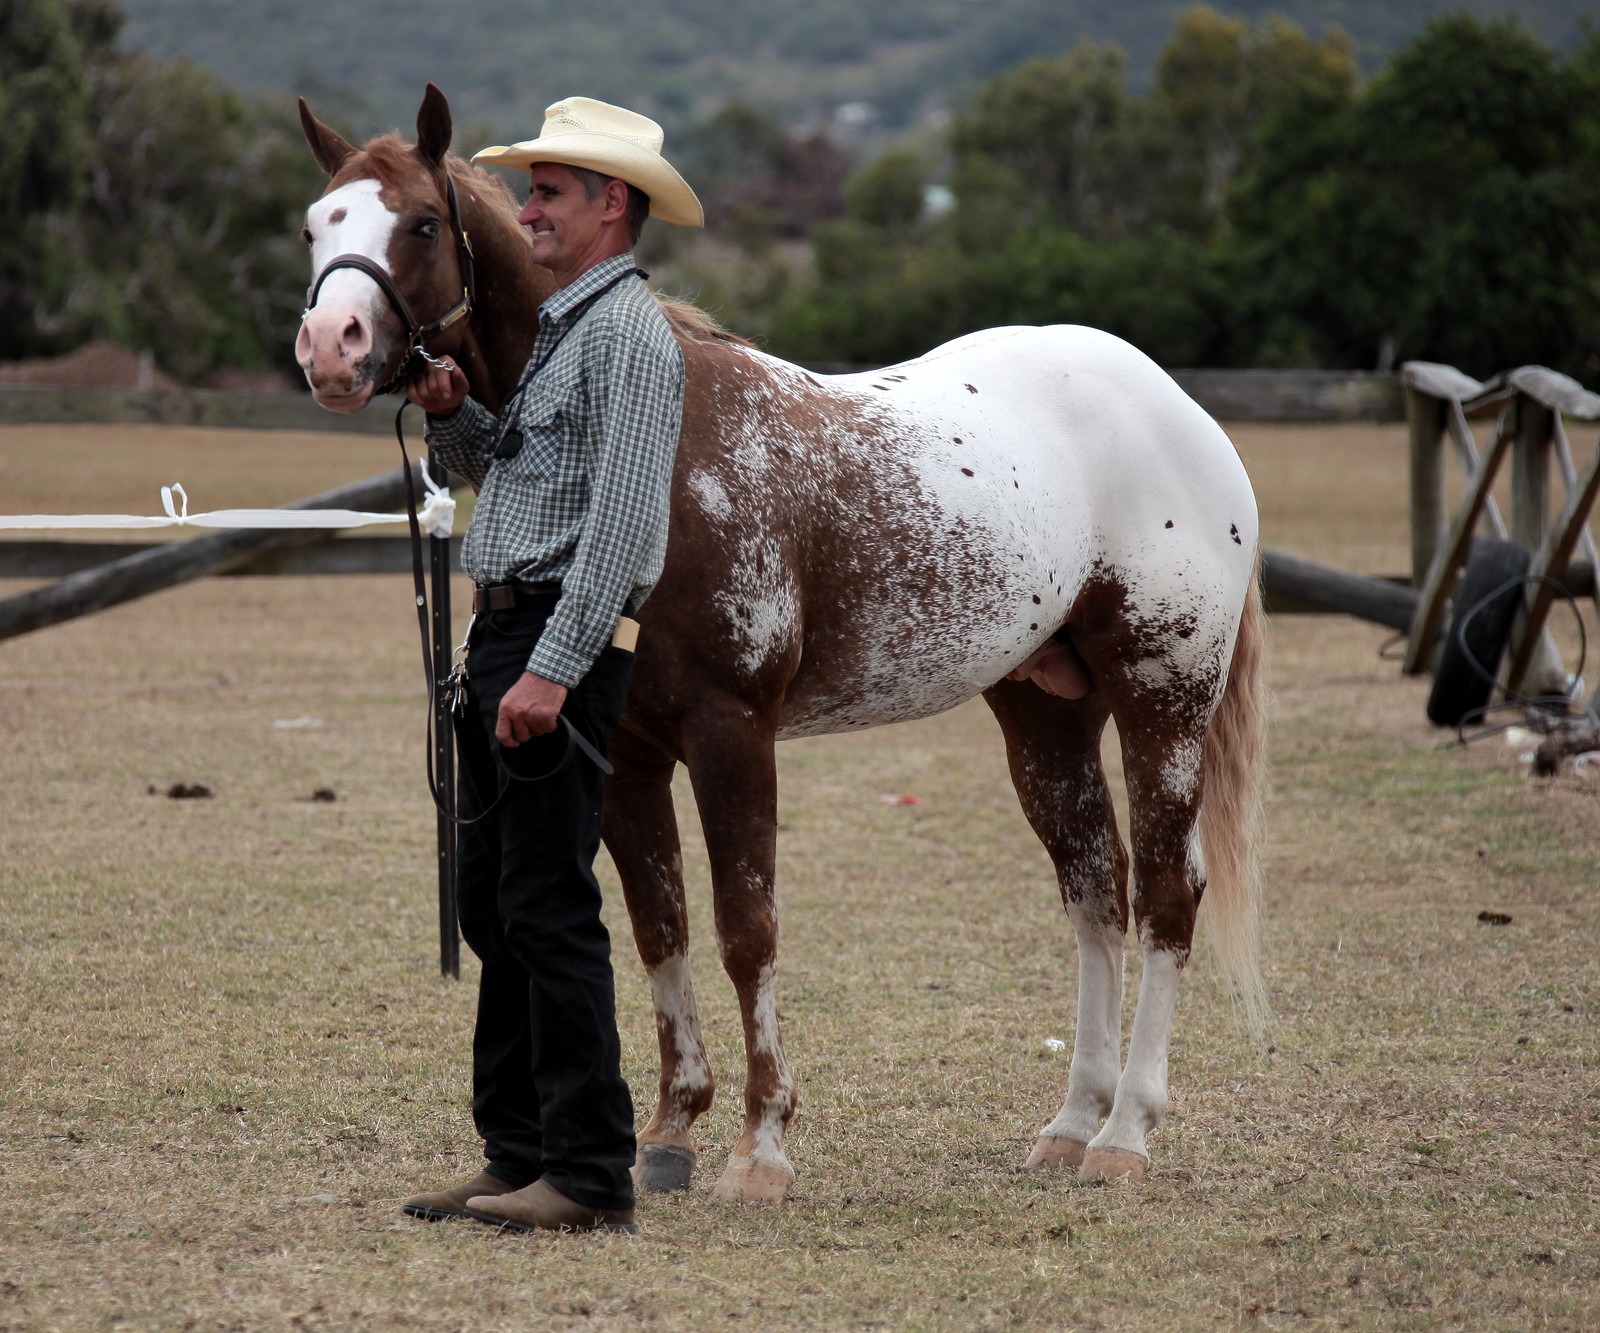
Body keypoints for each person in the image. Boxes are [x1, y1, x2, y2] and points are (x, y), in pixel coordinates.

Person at [398, 97, 703, 1235]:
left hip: (551, 645)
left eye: (548, 190)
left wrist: (553, 669)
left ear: (609, 205)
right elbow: (521, 474)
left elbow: (621, 527)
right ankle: (516, 1148)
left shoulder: (626, 335)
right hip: (510, 631)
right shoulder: (571, 327)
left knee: (547, 904)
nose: (523, 206)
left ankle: (584, 1170)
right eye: (530, 188)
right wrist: (454, 415)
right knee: (497, 900)